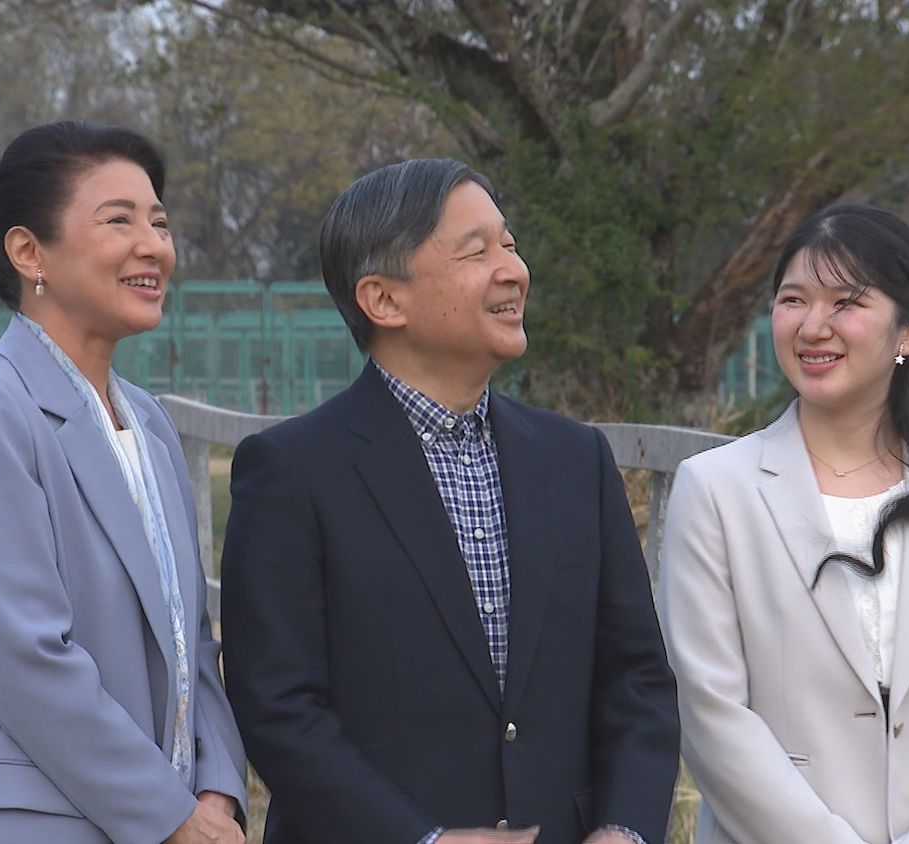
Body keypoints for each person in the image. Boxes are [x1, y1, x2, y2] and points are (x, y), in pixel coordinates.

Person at [220, 158, 680, 844]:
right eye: (476, 252)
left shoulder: (575, 459)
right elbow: (278, 708)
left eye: (510, 245)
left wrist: (624, 829)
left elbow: (636, 680)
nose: (513, 270)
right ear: (383, 300)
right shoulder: (291, 472)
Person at [0, 121, 247, 844]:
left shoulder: (150, 424)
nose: (154, 246)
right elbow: (20, 654)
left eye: (160, 223)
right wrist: (172, 816)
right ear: (29, 252)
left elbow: (192, 645)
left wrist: (218, 790)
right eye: (119, 221)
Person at [657, 204, 909, 843]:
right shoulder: (715, 491)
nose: (813, 326)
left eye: (846, 302)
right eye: (793, 300)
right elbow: (711, 713)